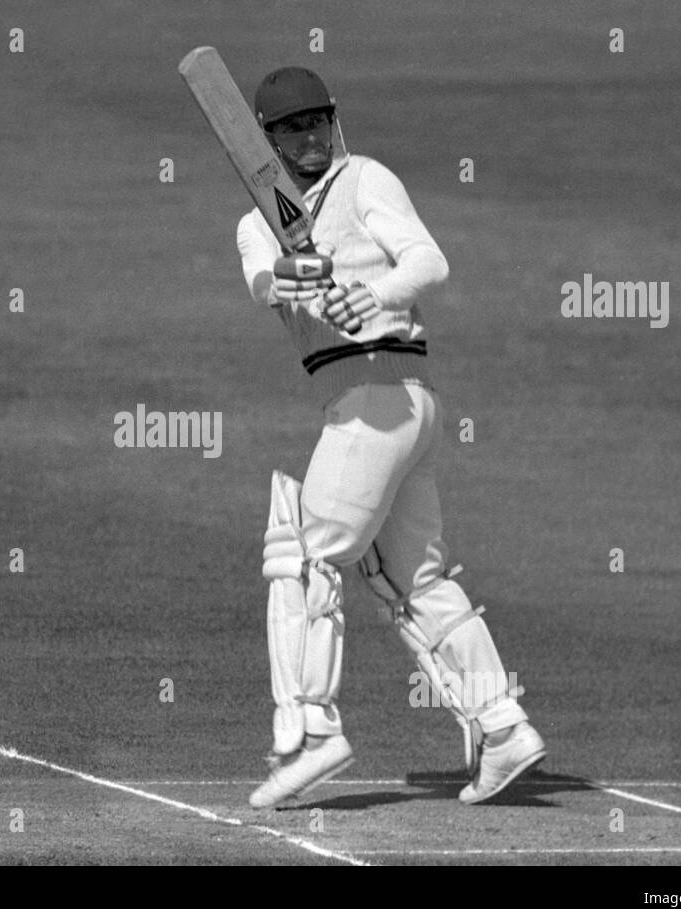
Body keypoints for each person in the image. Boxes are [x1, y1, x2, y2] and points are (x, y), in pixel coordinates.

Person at [236, 65, 546, 809]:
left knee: (303, 553)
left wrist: (368, 292)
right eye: (293, 127)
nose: (311, 136)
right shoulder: (255, 223)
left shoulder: (364, 178)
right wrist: (294, 272)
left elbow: (430, 262)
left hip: (384, 393)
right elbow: (261, 279)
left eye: (320, 120)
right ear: (267, 139)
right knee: (415, 583)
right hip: (384, 406)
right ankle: (502, 729)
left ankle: (311, 733)